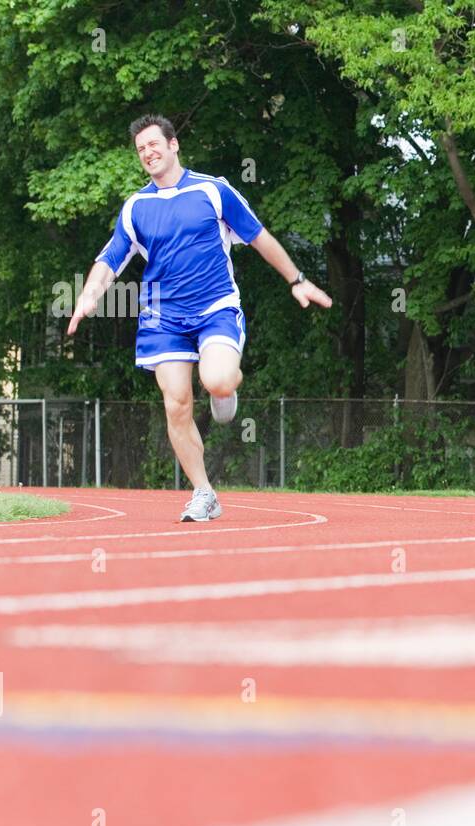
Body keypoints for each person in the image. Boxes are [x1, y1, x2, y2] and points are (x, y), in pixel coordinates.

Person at [67, 113, 331, 521]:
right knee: (177, 405)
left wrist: (296, 279)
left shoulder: (213, 191)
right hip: (163, 317)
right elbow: (110, 259)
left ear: (173, 145)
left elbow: (260, 237)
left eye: (154, 144)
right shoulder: (136, 207)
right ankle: (204, 492)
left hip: (214, 308)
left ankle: (225, 392)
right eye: (140, 149)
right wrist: (88, 295)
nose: (148, 153)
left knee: (218, 380)